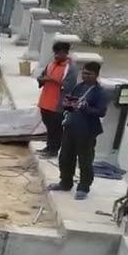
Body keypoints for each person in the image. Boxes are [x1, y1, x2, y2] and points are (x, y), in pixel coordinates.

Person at [48, 61, 108, 200]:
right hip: (71, 127)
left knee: (85, 160)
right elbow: (70, 103)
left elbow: (101, 112)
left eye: (89, 74)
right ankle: (65, 182)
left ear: (96, 75)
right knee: (65, 157)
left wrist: (85, 108)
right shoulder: (78, 87)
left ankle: (83, 187)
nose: (85, 76)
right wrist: (67, 104)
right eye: (84, 73)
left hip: (87, 131)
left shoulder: (100, 92)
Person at [35, 42, 77, 158]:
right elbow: (42, 76)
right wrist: (41, 79)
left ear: (66, 53)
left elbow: (70, 86)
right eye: (56, 53)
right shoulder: (51, 64)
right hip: (45, 101)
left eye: (60, 53)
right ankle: (49, 146)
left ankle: (53, 150)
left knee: (56, 127)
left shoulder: (71, 68)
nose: (57, 55)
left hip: (58, 104)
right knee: (48, 125)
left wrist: (52, 80)